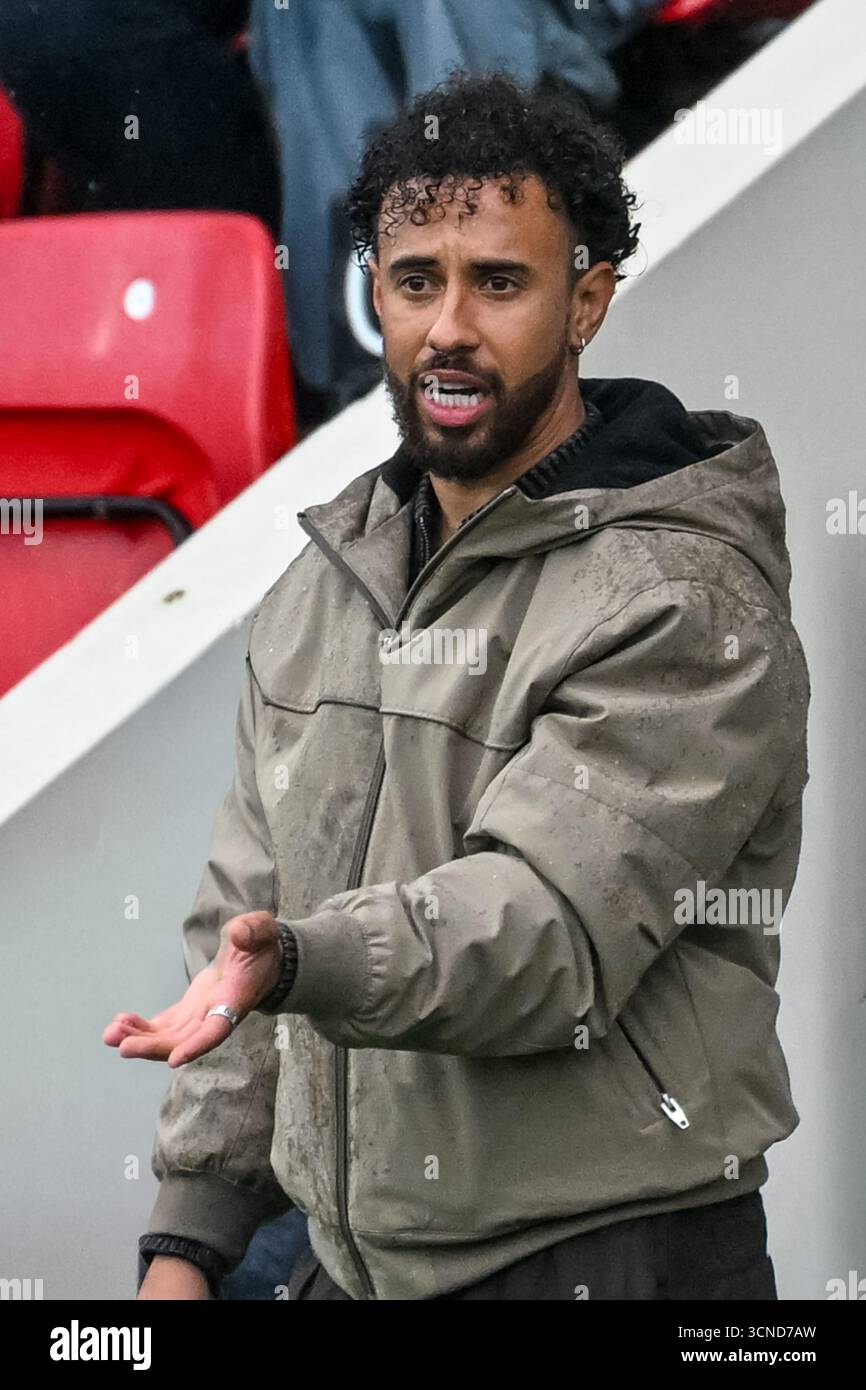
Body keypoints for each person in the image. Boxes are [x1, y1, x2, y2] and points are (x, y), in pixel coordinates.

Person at [105, 72, 810, 1301]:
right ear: (373, 293)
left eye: (499, 281)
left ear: (587, 299)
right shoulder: (324, 582)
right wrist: (187, 1239)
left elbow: (541, 931)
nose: (447, 328)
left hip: (611, 1254)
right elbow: (243, 922)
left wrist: (299, 963)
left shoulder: (684, 596)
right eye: (414, 279)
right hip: (348, 1259)